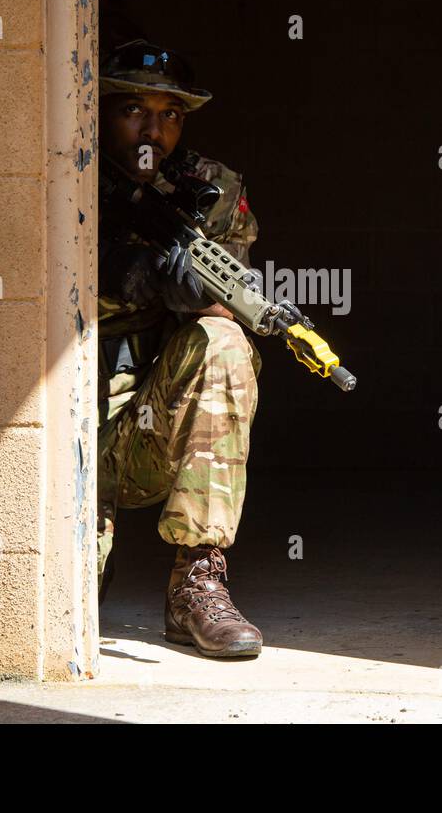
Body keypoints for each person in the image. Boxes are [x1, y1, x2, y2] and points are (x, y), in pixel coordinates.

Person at [96, 38, 265, 658]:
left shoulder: (207, 191)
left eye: (170, 114)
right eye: (134, 110)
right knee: (65, 604)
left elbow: (228, 303)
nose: (153, 129)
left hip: (154, 422)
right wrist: (136, 275)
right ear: (100, 111)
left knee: (223, 340)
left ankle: (198, 580)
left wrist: (191, 293)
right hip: (72, 437)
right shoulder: (60, 177)